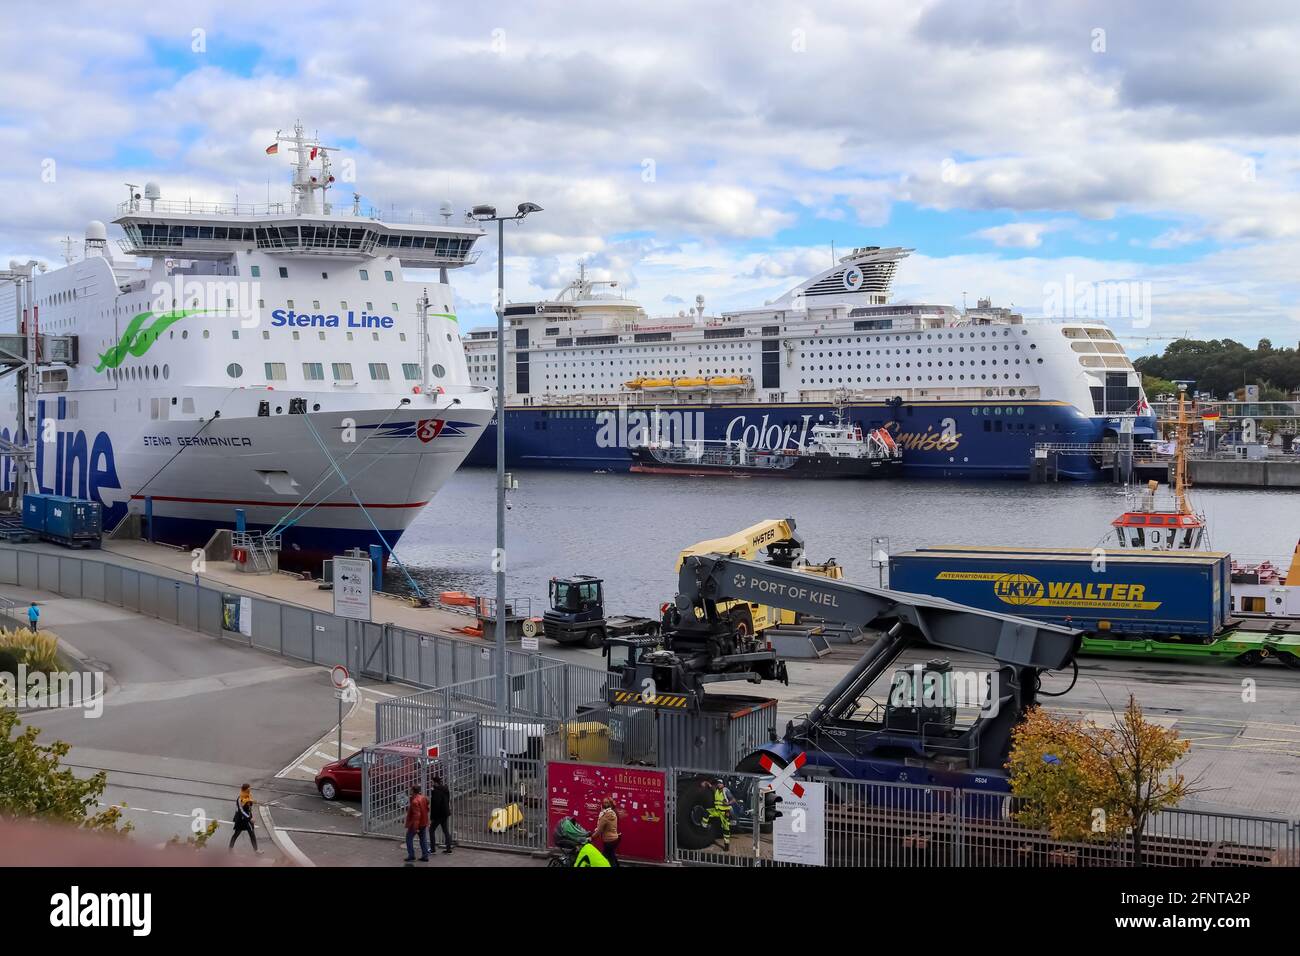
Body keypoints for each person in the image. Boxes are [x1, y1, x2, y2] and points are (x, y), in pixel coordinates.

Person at [228, 784, 259, 853]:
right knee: (237, 833)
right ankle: (230, 848)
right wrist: (249, 818)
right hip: (241, 819)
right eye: (249, 789)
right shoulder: (240, 799)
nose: (250, 790)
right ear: (245, 789)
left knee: (252, 833)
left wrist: (252, 815)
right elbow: (241, 810)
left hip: (248, 817)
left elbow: (250, 808)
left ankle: (256, 850)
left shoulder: (249, 796)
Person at [404, 784, 430, 862]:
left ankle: (411, 855)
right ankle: (425, 855)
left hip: (416, 824)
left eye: (411, 790)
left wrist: (416, 827)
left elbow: (417, 815)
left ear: (413, 791)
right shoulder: (423, 798)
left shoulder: (415, 801)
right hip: (423, 822)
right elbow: (427, 808)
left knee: (408, 838)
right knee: (423, 839)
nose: (409, 791)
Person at [593, 796, 621, 867]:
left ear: (610, 804)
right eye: (604, 802)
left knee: (604, 857)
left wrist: (591, 837)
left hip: (609, 840)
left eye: (607, 803)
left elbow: (599, 830)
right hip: (614, 839)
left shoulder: (606, 815)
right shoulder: (612, 812)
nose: (605, 804)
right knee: (611, 856)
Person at [707, 779, 733, 850]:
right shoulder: (716, 790)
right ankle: (704, 825)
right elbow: (710, 786)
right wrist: (705, 782)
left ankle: (726, 845)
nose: (719, 784)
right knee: (707, 812)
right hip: (717, 811)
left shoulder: (726, 791)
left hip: (725, 812)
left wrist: (728, 803)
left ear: (723, 784)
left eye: (720, 783)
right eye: (718, 783)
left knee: (726, 829)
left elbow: (733, 800)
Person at [429, 774, 452, 854]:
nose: (431, 783)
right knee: (445, 830)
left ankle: (432, 849)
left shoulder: (436, 791)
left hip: (438, 814)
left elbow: (435, 805)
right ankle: (448, 849)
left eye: (432, 782)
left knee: (431, 830)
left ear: (435, 782)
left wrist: (433, 817)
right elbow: (448, 799)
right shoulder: (445, 789)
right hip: (445, 812)